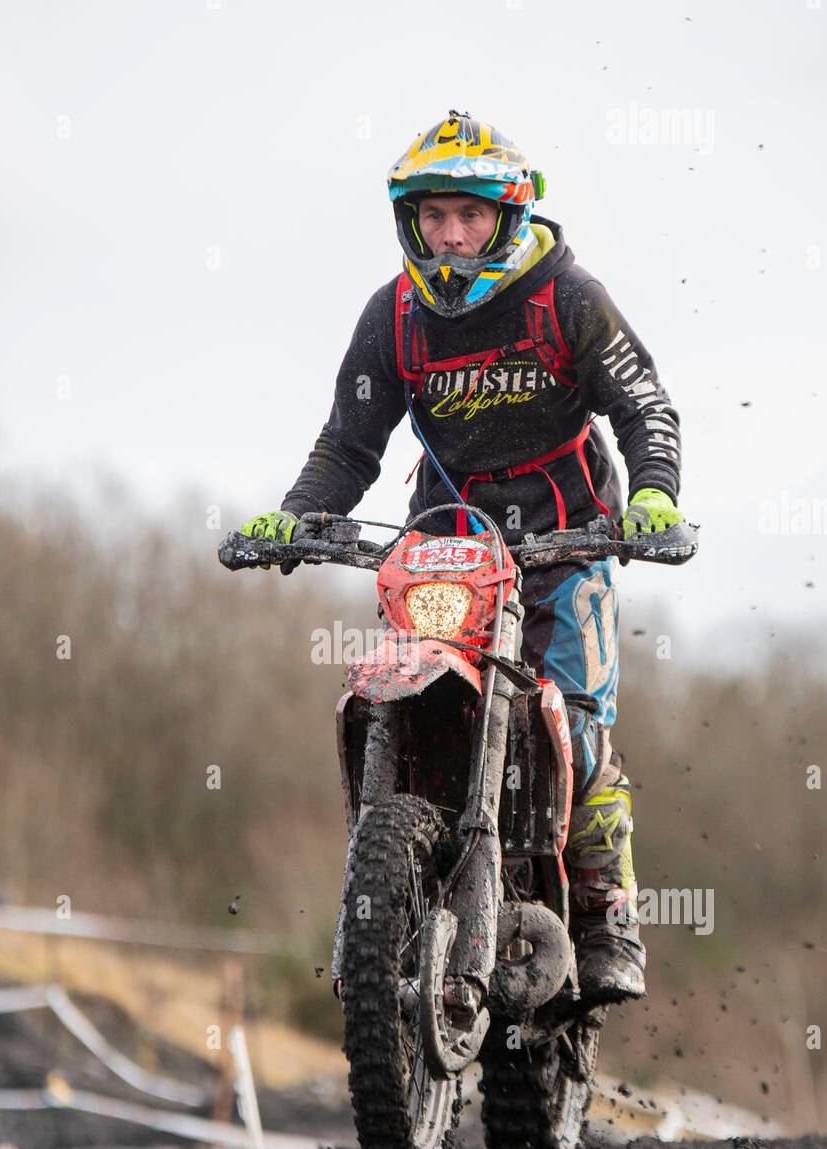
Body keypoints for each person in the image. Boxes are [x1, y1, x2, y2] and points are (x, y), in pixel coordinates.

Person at [239, 110, 687, 1004]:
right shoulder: (395, 314)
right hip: (447, 545)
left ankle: (608, 917)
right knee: (402, 686)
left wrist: (652, 497)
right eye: (433, 216)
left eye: (469, 217)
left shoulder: (567, 296)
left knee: (581, 722)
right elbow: (349, 440)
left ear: (507, 216)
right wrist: (297, 518)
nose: (449, 235)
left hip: (569, 541)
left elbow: (644, 407)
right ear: (411, 220)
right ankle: (396, 874)